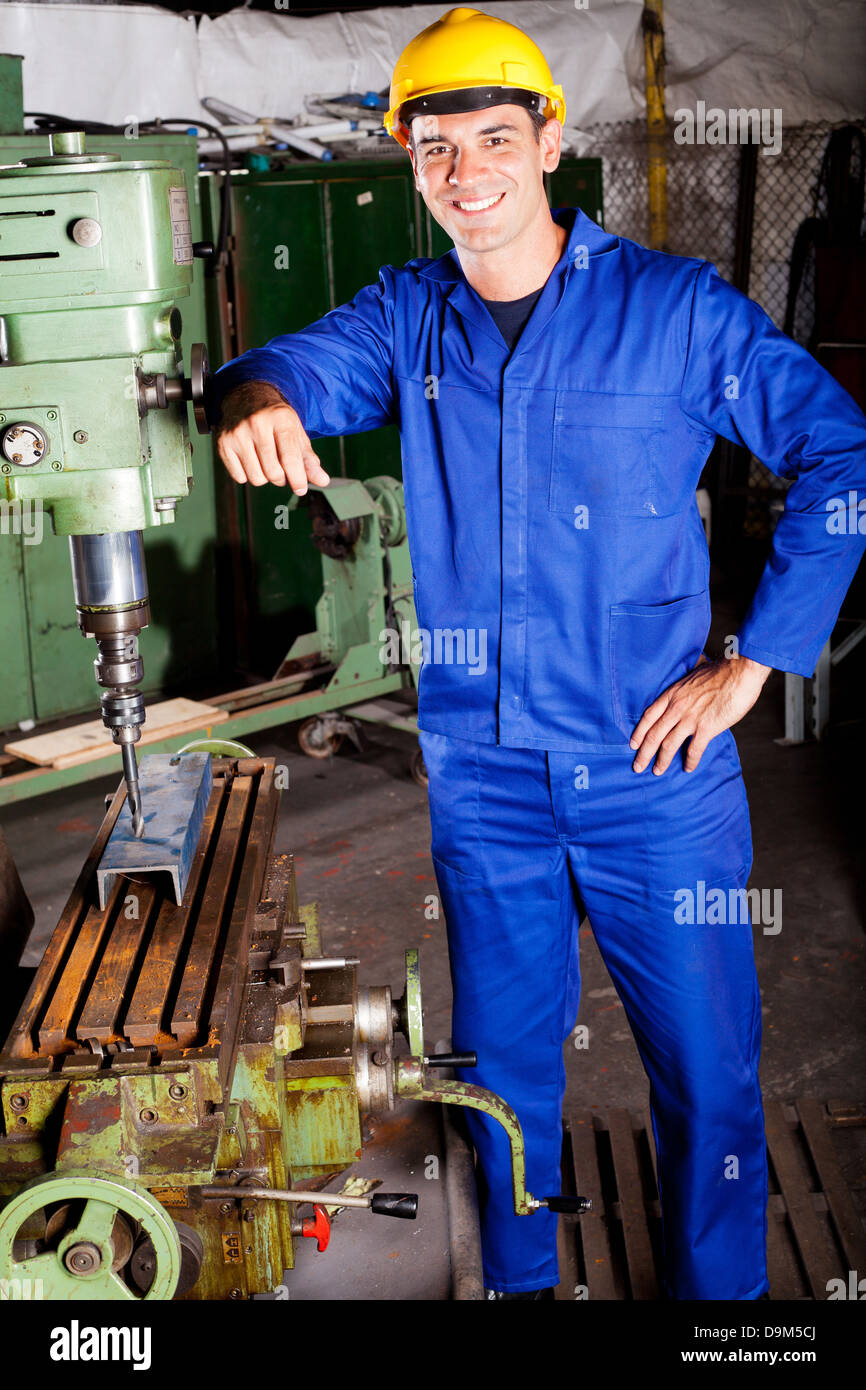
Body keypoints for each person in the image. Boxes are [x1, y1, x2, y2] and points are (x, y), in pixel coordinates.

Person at [206, 7, 866, 1300]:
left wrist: (753, 662)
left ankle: (716, 1310)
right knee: (499, 1083)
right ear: (410, 163)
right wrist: (257, 396)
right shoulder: (408, 318)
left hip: (651, 774)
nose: (466, 172)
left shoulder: (672, 313)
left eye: (493, 137)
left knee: (710, 1077)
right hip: (487, 785)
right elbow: (279, 368)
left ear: (550, 140)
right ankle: (513, 1286)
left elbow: (841, 450)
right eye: (436, 148)